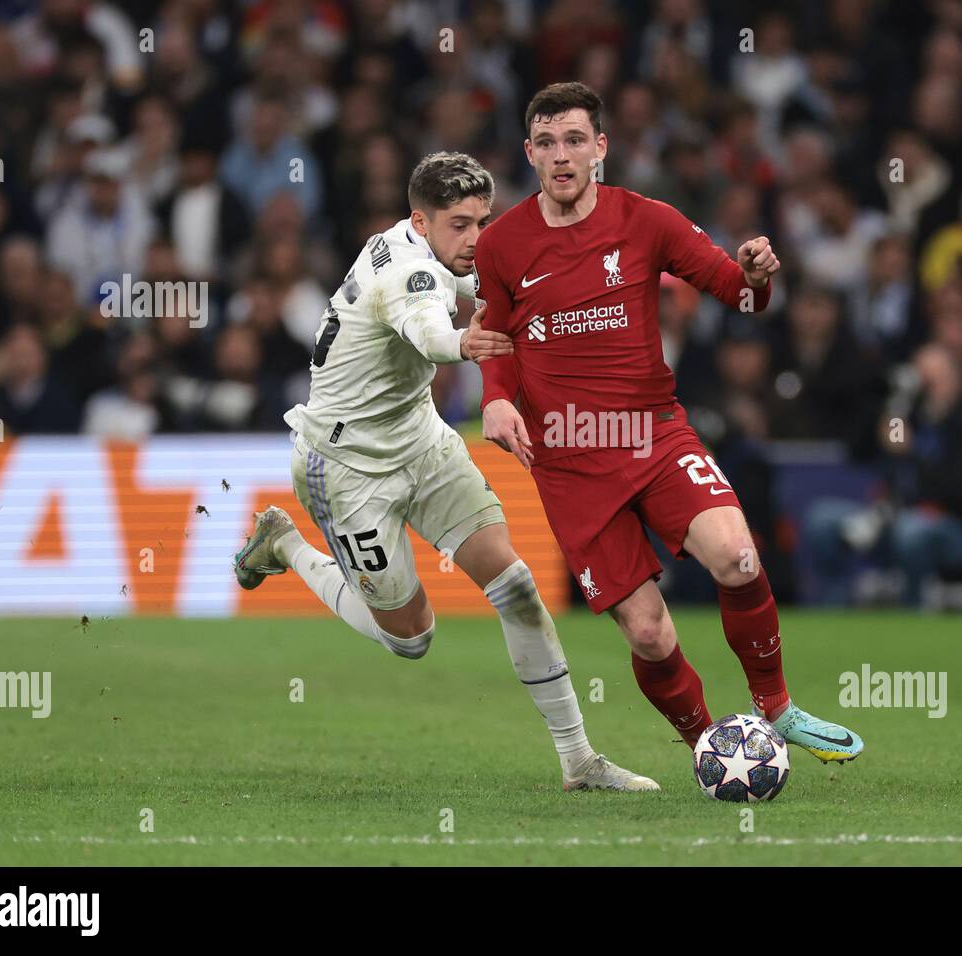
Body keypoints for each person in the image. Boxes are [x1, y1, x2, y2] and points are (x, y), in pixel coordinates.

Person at [233, 151, 656, 792]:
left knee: (514, 585)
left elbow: (482, 287)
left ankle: (580, 761)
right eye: (459, 224)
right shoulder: (404, 273)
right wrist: (468, 342)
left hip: (423, 445)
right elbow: (432, 330)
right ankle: (285, 542)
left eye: (483, 221)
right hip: (347, 470)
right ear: (420, 222)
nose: (475, 238)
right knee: (411, 640)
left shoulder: (414, 247)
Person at [477, 82, 863, 763]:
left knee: (738, 557)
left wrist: (755, 274)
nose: (560, 156)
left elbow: (739, 295)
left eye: (574, 140)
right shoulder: (503, 244)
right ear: (529, 152)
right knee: (650, 634)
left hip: (654, 433)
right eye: (546, 142)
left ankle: (776, 705)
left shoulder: (647, 220)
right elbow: (497, 339)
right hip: (569, 460)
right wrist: (496, 398)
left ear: (601, 147)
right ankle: (712, 746)